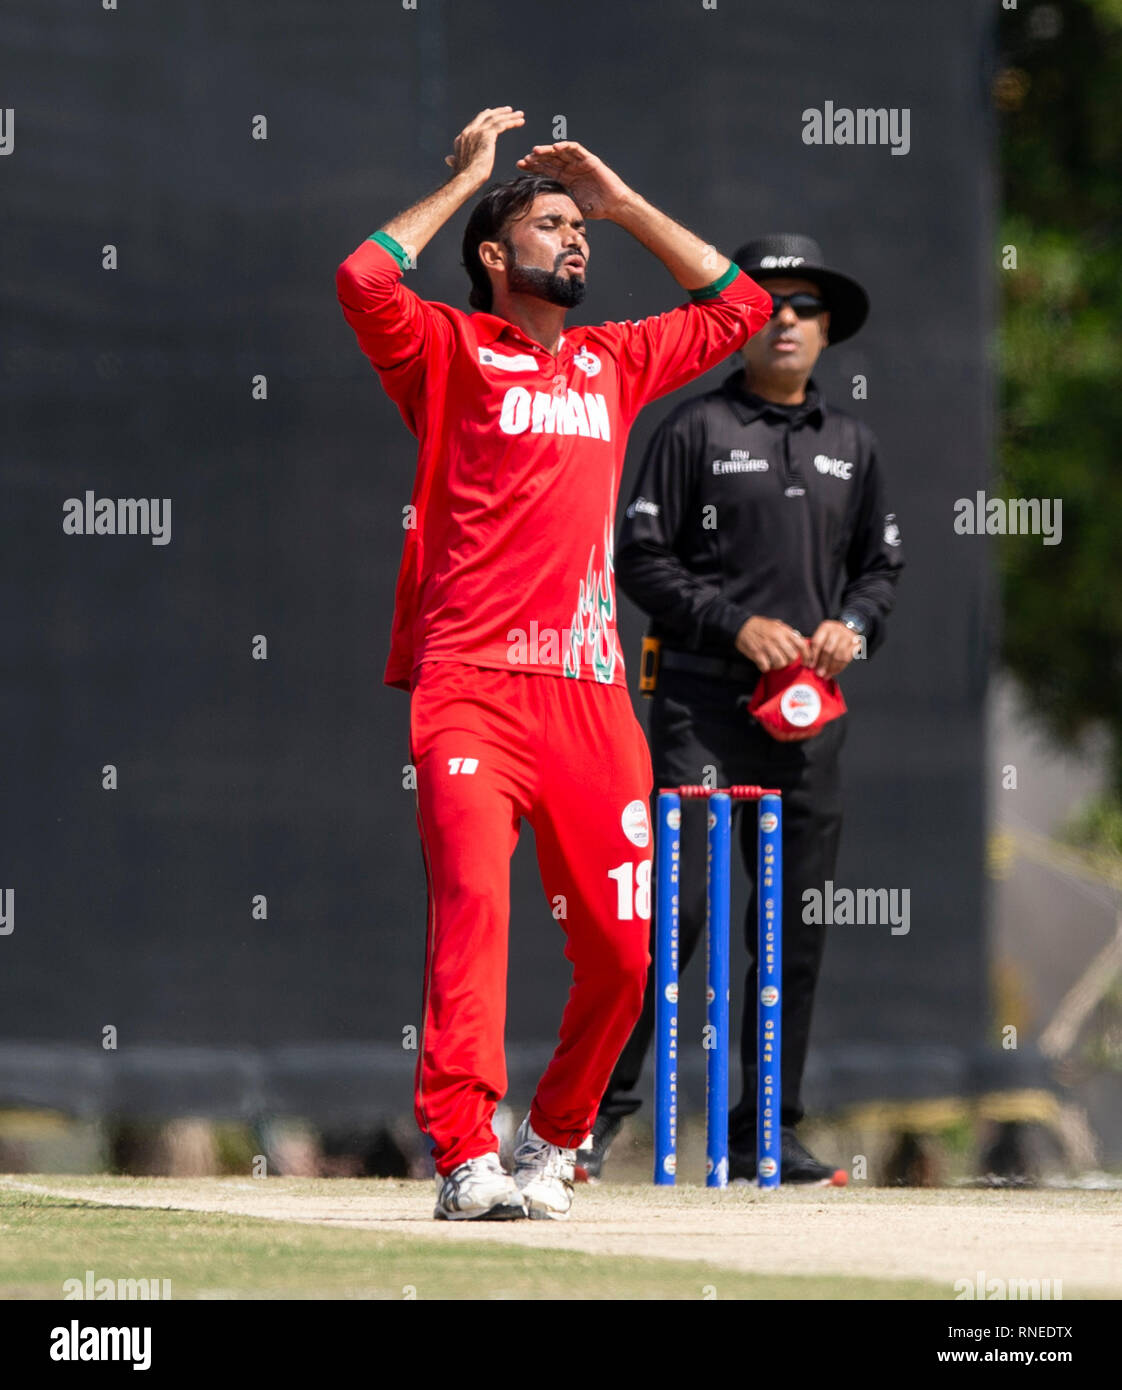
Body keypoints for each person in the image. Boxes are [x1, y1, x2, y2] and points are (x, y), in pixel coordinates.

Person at [335, 108, 772, 1219]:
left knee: (629, 955)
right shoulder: (446, 348)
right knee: (476, 912)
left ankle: (554, 1138)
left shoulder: (613, 360)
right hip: (471, 686)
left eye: (586, 229)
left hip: (590, 700)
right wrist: (471, 177)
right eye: (553, 223)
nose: (578, 242)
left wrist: (624, 203)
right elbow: (363, 277)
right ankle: (463, 1154)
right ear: (493, 254)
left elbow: (742, 307)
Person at [582, 233, 904, 1183]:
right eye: (768, 305)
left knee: (793, 919)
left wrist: (852, 625)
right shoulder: (694, 429)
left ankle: (766, 1122)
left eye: (805, 307)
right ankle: (591, 1118)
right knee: (667, 916)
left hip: (807, 720)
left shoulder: (854, 443)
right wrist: (734, 626)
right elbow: (638, 559)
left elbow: (880, 571)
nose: (787, 321)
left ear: (828, 327)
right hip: (700, 708)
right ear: (741, 324)